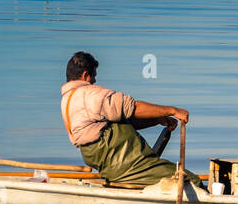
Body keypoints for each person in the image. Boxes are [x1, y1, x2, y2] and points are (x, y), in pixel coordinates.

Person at [60, 51, 203, 187]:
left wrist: (157, 119)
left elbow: (124, 120)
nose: (95, 80)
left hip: (112, 167)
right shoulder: (89, 95)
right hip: (127, 164)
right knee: (191, 182)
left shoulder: (68, 100)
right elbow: (132, 108)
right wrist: (173, 110)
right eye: (94, 76)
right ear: (85, 75)